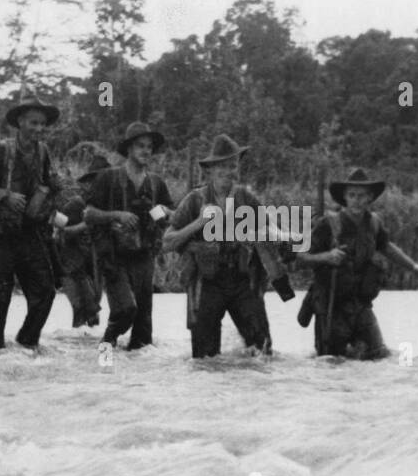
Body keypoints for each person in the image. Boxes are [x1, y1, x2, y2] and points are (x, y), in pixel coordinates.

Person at [163, 134, 294, 358]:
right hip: (208, 281)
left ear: (237, 169)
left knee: (262, 350)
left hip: (242, 279)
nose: (227, 171)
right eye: (221, 166)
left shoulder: (247, 197)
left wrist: (278, 237)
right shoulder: (195, 200)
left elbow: (272, 231)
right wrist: (199, 222)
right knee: (205, 357)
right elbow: (167, 242)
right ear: (210, 171)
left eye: (232, 165)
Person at [299, 167, 418, 359]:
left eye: (362, 195)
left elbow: (387, 247)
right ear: (345, 198)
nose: (357, 200)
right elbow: (301, 257)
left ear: (370, 198)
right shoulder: (327, 224)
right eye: (352, 195)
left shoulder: (374, 223)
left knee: (379, 356)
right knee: (329, 361)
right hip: (331, 306)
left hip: (361, 305)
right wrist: (326, 256)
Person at [0, 96, 63, 350]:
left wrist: (52, 187)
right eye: (33, 123)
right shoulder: (1, 149)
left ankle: (27, 342)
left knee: (45, 291)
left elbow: (50, 183)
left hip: (30, 233)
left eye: (42, 124)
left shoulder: (43, 151)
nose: (39, 129)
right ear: (20, 122)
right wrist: (4, 196)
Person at [82, 122, 174, 351]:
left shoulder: (156, 182)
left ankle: (135, 382)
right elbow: (88, 214)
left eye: (149, 147)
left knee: (143, 330)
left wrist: (161, 212)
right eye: (140, 146)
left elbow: (172, 214)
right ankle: (104, 354)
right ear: (129, 149)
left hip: (144, 257)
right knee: (125, 310)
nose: (146, 151)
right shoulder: (108, 178)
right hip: (114, 257)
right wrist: (117, 215)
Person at [55, 153, 108, 329]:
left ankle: (84, 351)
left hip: (93, 268)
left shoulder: (105, 208)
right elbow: (60, 234)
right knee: (83, 313)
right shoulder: (76, 205)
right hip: (72, 269)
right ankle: (76, 350)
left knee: (92, 316)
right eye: (96, 181)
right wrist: (86, 225)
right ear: (89, 183)